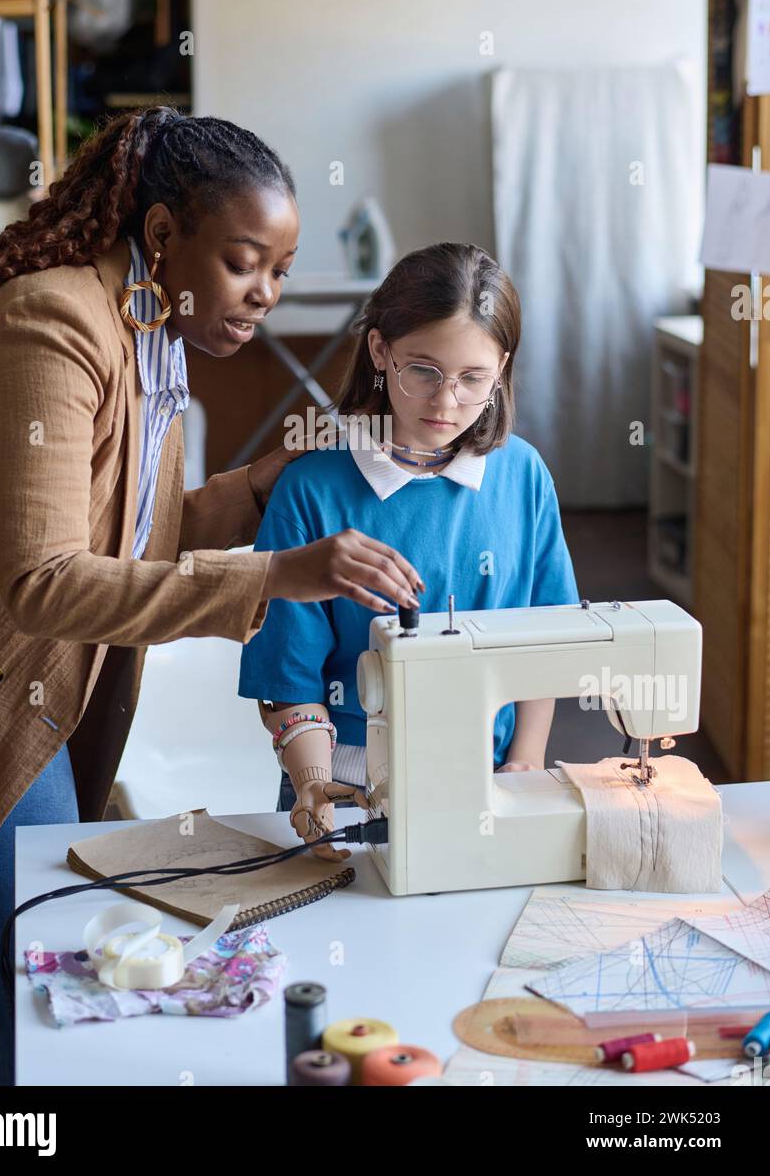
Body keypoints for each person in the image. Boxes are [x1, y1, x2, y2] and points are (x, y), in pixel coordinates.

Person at [0, 106, 422, 1084]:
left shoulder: (152, 337)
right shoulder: (50, 324)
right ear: (160, 236)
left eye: (278, 268)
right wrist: (275, 574)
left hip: (16, 706)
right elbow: (44, 577)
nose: (265, 292)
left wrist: (266, 484)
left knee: (49, 990)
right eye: (243, 262)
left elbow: (136, 535)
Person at [238, 242, 580, 861]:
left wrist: (526, 761)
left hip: (489, 777)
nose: (445, 402)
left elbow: (546, 641)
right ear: (379, 352)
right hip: (341, 787)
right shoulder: (312, 488)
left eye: (473, 379)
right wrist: (315, 784)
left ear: (501, 369)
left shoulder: (524, 477)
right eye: (422, 371)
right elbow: (287, 677)